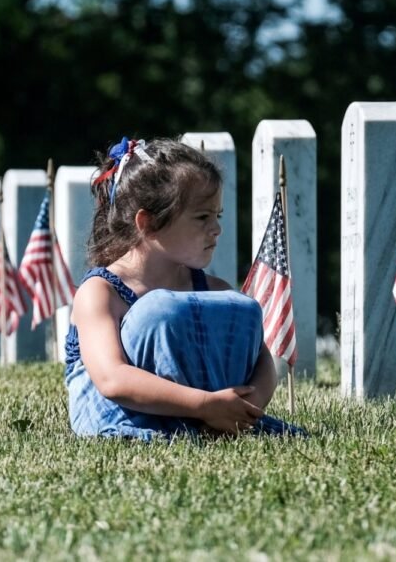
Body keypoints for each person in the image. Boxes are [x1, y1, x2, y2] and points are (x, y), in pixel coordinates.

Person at [65, 136, 300, 440]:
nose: (216, 229)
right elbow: (112, 379)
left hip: (212, 414)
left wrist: (248, 405)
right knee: (159, 311)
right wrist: (205, 405)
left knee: (239, 308)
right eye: (202, 217)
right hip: (120, 416)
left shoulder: (213, 290)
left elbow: (262, 358)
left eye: (218, 216)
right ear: (147, 223)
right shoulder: (100, 291)